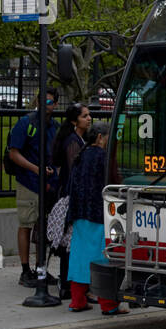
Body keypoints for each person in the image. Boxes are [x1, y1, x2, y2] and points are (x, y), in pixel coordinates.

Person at [66, 122, 121, 314]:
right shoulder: (104, 157)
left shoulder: (81, 155)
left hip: (79, 212)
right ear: (100, 138)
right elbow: (114, 183)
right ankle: (108, 305)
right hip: (99, 213)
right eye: (107, 137)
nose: (109, 141)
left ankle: (77, 301)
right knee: (102, 257)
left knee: (80, 257)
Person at [7, 88, 60, 288]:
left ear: (55, 105)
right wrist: (36, 169)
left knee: (42, 227)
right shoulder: (26, 123)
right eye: (42, 101)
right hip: (28, 182)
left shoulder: (54, 126)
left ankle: (41, 269)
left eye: (49, 102)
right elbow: (14, 153)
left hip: (47, 183)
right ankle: (25, 270)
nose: (45, 105)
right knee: (26, 224)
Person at [49, 103, 91, 300]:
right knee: (70, 243)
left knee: (69, 243)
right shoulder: (73, 142)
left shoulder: (76, 139)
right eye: (85, 116)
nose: (89, 118)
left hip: (68, 195)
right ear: (75, 121)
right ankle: (67, 283)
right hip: (71, 197)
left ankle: (67, 282)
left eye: (89, 115)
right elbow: (76, 171)